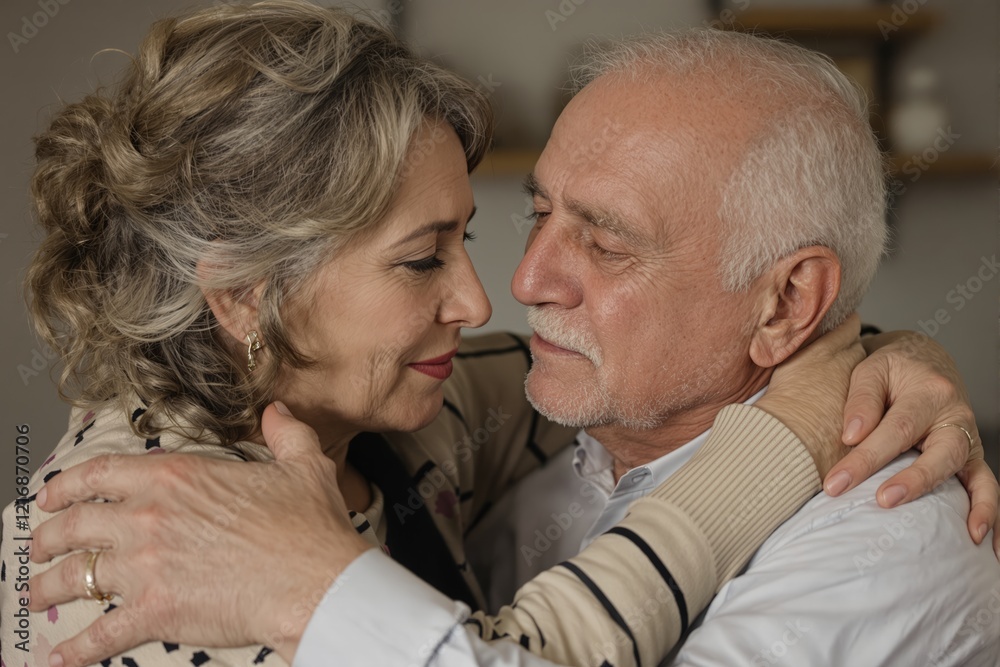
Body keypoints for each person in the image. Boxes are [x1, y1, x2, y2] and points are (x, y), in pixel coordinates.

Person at [4, 4, 996, 667]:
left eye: (601, 240)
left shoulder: (424, 418)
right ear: (243, 297)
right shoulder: (140, 554)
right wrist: (791, 421)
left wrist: (875, 355)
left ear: (785, 305)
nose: (507, 292)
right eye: (421, 258)